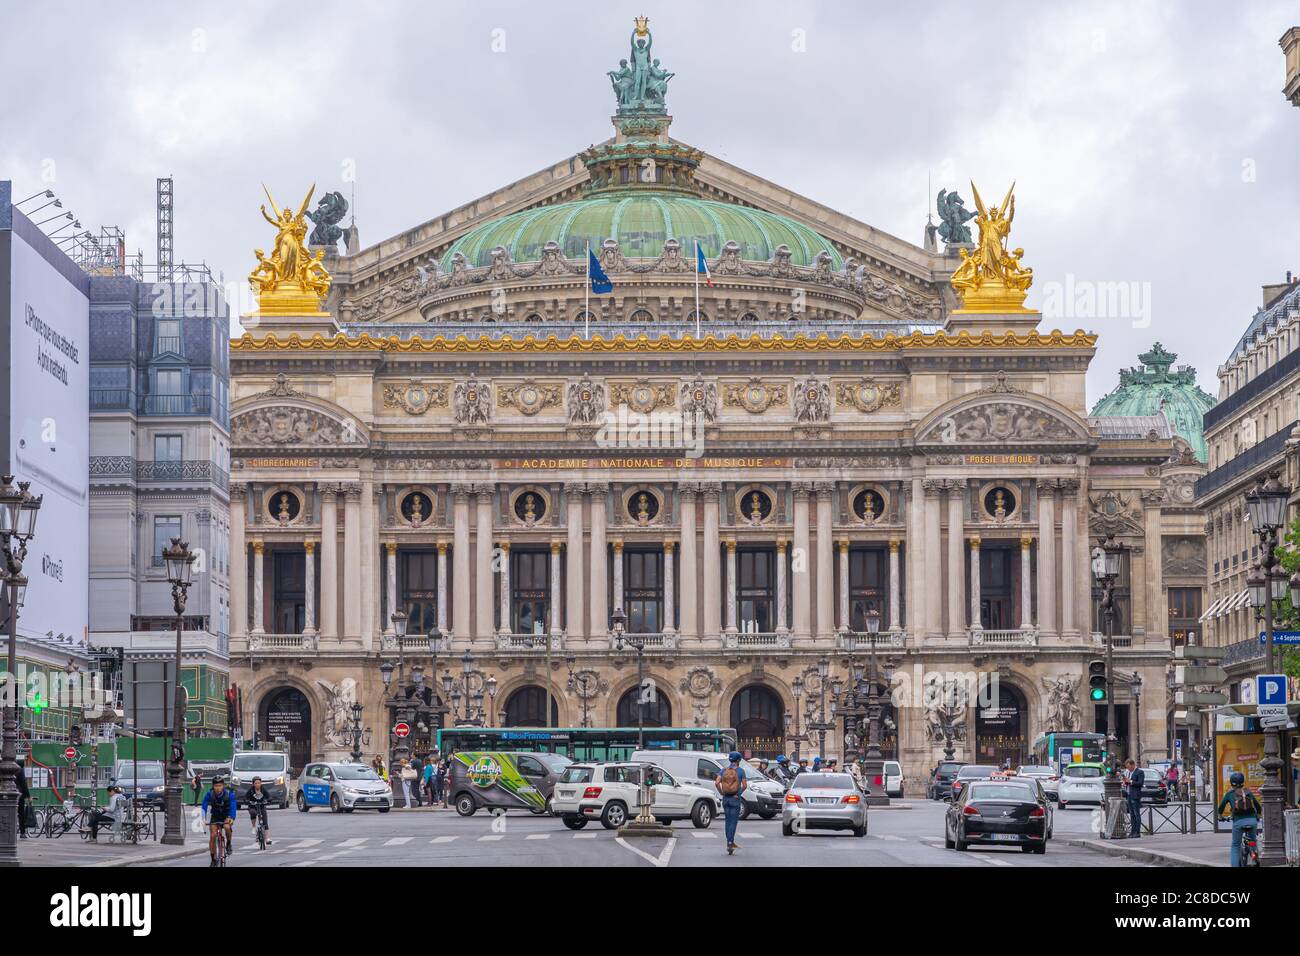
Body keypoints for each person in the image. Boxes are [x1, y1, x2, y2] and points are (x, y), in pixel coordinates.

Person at [1216, 771, 1262, 867]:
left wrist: (1220, 816)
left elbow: (1221, 807)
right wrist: (1258, 814)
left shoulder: (1230, 794)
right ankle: (1255, 857)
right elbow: (1258, 806)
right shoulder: (1248, 792)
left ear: (1231, 783)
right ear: (1243, 782)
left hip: (1238, 822)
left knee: (1236, 845)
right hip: (1252, 821)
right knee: (1253, 840)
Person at [714, 751, 748, 855]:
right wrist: (739, 793)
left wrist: (721, 793)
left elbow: (716, 782)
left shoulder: (723, 770)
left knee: (727, 821)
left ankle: (729, 842)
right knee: (733, 822)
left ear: (730, 760)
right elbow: (745, 785)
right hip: (735, 799)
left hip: (726, 799)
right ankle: (730, 842)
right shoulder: (741, 771)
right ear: (739, 761)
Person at [201, 775, 237, 866]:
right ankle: (213, 859)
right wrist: (203, 818)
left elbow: (233, 807)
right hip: (215, 816)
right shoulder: (210, 794)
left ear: (223, 786)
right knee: (213, 836)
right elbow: (204, 805)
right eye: (216, 786)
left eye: (220, 785)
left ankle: (228, 844)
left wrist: (232, 818)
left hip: (226, 815)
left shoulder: (229, 794)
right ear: (213, 786)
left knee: (227, 827)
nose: (218, 788)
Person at [245, 776, 273, 847]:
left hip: (261, 806)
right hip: (253, 806)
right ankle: (254, 827)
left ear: (261, 783)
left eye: (259, 783)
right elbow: (245, 798)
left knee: (265, 822)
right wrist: (248, 801)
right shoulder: (251, 790)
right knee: (253, 813)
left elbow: (269, 796)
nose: (257, 784)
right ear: (253, 784)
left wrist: (268, 800)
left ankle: (267, 838)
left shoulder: (263, 789)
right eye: (256, 783)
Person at [1124, 760, 1145, 839]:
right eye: (1127, 767)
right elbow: (1129, 783)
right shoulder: (1129, 773)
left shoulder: (1140, 772)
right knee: (1132, 815)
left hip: (1135, 795)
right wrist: (1126, 782)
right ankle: (1132, 832)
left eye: (1129, 767)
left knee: (1136, 814)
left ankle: (1137, 832)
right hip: (1129, 795)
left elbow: (1140, 783)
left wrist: (1131, 781)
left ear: (1133, 765)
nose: (1128, 769)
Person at [16, 757, 31, 839]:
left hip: (6, 793)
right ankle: (22, 832)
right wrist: (28, 796)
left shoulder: (5, 767)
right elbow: (24, 784)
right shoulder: (20, 770)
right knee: (21, 813)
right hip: (19, 795)